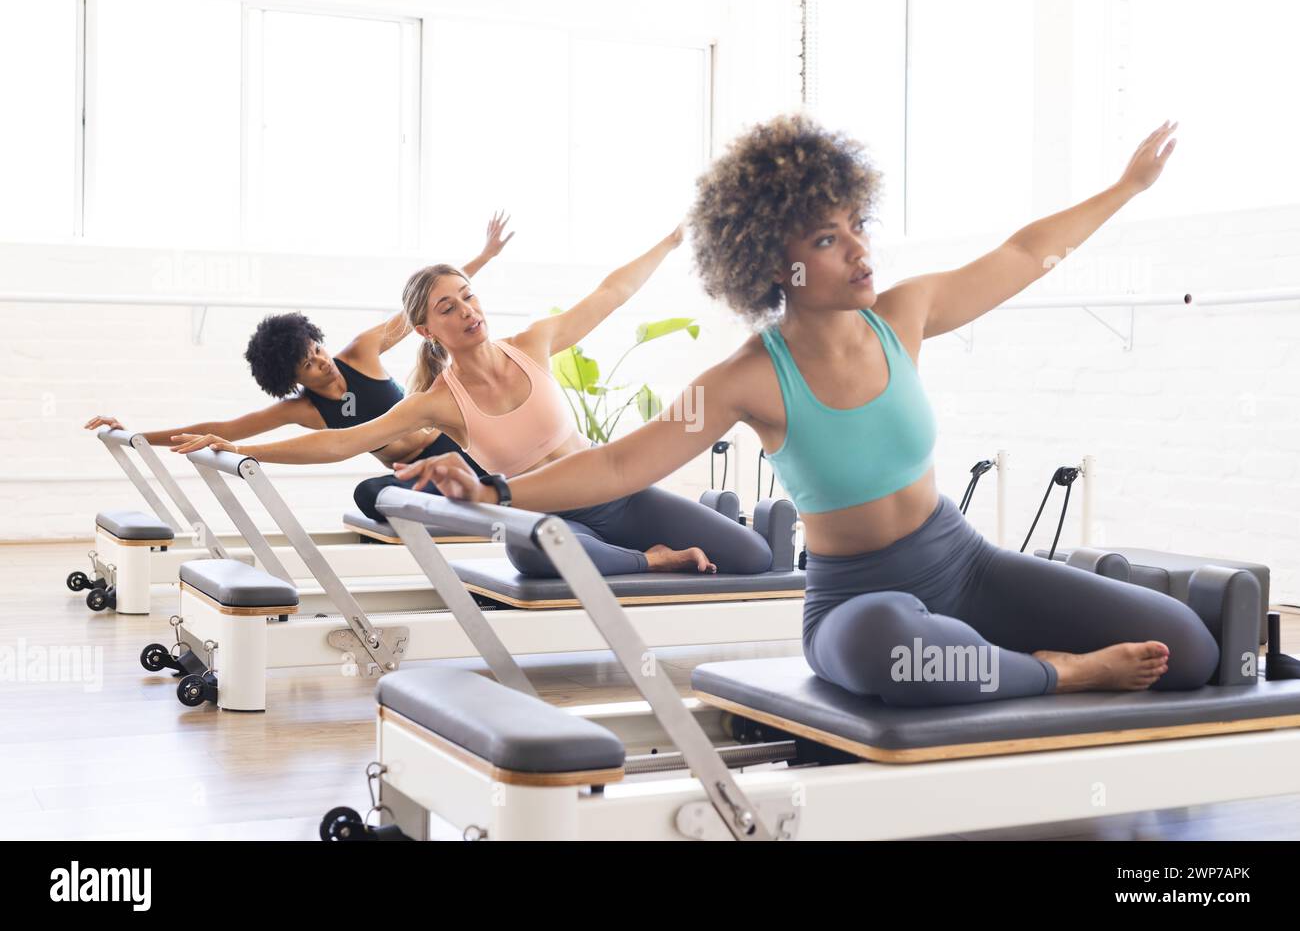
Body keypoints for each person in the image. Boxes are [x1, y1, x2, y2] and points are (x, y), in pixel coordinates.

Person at [397, 114, 1223, 707]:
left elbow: (1022, 254)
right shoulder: (749, 377)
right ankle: (1055, 672)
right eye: (827, 239)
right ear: (772, 261)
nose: (860, 249)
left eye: (856, 225)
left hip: (964, 565)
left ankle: (987, 660)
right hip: (857, 601)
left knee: (1188, 647)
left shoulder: (905, 312)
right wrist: (497, 494)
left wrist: (1126, 186)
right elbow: (619, 463)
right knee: (886, 652)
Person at [170, 227, 774, 578]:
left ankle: (643, 550)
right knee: (527, 549)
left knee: (752, 555)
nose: (467, 312)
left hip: (614, 494)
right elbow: (340, 441)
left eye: (468, 297)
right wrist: (240, 448)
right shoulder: (438, 402)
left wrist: (670, 242)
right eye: (448, 308)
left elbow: (610, 293)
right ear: (428, 331)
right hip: (548, 516)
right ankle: (652, 562)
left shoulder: (534, 345)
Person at [86, 212, 515, 517]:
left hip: (455, 449)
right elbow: (228, 428)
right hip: (415, 473)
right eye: (308, 365)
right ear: (291, 379)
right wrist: (133, 435)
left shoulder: (363, 350)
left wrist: (485, 256)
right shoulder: (306, 411)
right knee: (370, 495)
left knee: (503, 477)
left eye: (318, 351)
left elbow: (425, 304)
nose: (322, 364)